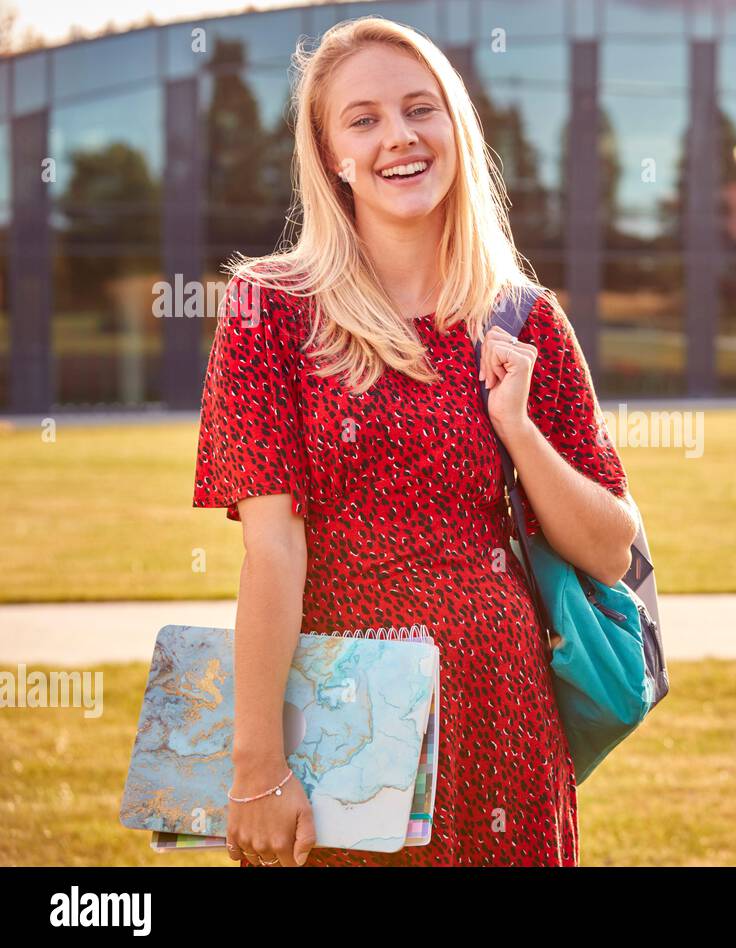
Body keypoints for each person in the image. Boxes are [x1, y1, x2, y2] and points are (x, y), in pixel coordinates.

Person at [192, 16, 638, 867]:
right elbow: (272, 552)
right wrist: (255, 762)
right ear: (331, 155)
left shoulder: (523, 317)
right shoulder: (269, 310)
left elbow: (612, 551)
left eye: (419, 109)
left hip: (506, 726)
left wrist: (516, 425)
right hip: (344, 736)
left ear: (455, 128)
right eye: (363, 119)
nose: (398, 136)